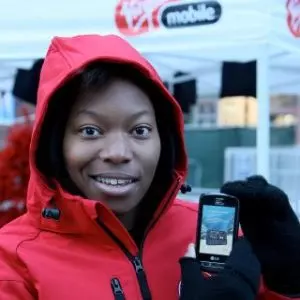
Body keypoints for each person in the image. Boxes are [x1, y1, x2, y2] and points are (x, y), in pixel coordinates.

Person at [0, 34, 299, 300]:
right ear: (55, 142)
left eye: (139, 130)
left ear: (164, 140)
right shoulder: (13, 259)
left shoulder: (209, 233)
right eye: (90, 130)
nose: (118, 153)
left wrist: (288, 287)